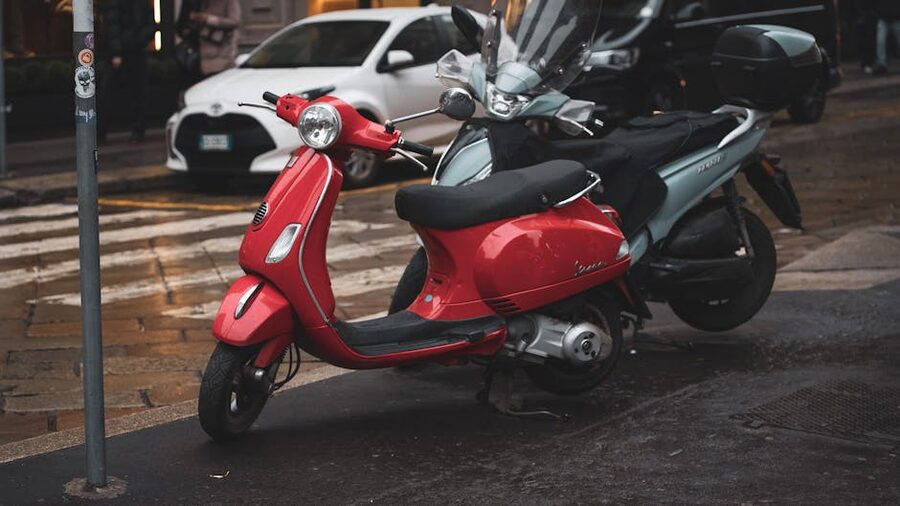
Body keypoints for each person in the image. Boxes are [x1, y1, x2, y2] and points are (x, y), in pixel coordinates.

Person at [99, 0, 156, 142]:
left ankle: (103, 131)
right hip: (129, 50)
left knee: (115, 93)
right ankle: (104, 131)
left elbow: (111, 25)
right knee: (113, 93)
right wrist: (118, 51)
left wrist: (118, 50)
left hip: (130, 50)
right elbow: (112, 24)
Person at [175, 0, 241, 85]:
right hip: (194, 58)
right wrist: (191, 23)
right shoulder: (192, 2)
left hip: (219, 57)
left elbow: (234, 21)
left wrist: (208, 19)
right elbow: (181, 26)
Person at [874, 0, 900, 75]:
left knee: (881, 42)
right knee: (880, 42)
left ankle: (881, 64)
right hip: (884, 18)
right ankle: (881, 64)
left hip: (896, 18)